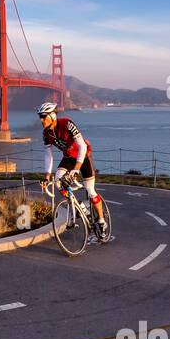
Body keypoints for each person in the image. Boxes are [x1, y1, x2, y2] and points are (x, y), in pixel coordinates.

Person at [37, 102, 108, 240]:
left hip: (84, 156)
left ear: (52, 116)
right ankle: (79, 205)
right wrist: (46, 176)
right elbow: (48, 155)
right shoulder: (46, 133)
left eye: (43, 117)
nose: (41, 120)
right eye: (40, 117)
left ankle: (101, 221)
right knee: (58, 181)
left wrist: (76, 170)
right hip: (69, 157)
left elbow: (81, 146)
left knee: (90, 190)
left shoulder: (67, 123)